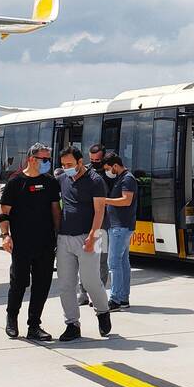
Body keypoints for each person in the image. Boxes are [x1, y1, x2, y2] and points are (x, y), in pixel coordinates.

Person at [0, 143, 60, 341]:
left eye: (49, 159)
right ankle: (12, 318)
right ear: (32, 159)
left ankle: (34, 325)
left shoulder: (50, 182)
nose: (47, 163)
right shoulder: (15, 183)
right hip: (21, 244)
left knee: (42, 285)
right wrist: (5, 236)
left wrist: (59, 235)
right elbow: (3, 213)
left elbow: (55, 211)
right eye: (44, 159)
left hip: (45, 243)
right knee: (19, 283)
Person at [54, 147, 112, 341]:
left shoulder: (96, 181)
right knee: (65, 284)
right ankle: (72, 324)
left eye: (69, 164)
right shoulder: (62, 179)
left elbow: (99, 211)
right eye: (63, 165)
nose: (66, 168)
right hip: (64, 238)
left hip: (91, 237)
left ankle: (102, 312)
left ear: (80, 162)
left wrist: (93, 236)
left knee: (90, 280)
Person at [100, 152, 137, 310]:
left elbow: (126, 200)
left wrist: (105, 201)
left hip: (120, 227)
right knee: (122, 263)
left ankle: (115, 299)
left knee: (114, 263)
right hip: (119, 226)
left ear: (115, 165)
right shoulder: (122, 178)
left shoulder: (127, 179)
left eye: (109, 168)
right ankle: (123, 299)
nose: (108, 171)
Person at [78, 143, 112, 304]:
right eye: (91, 159)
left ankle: (98, 293)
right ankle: (82, 292)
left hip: (102, 225)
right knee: (84, 259)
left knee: (102, 260)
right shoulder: (86, 171)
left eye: (97, 160)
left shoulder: (111, 173)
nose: (94, 162)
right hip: (85, 223)